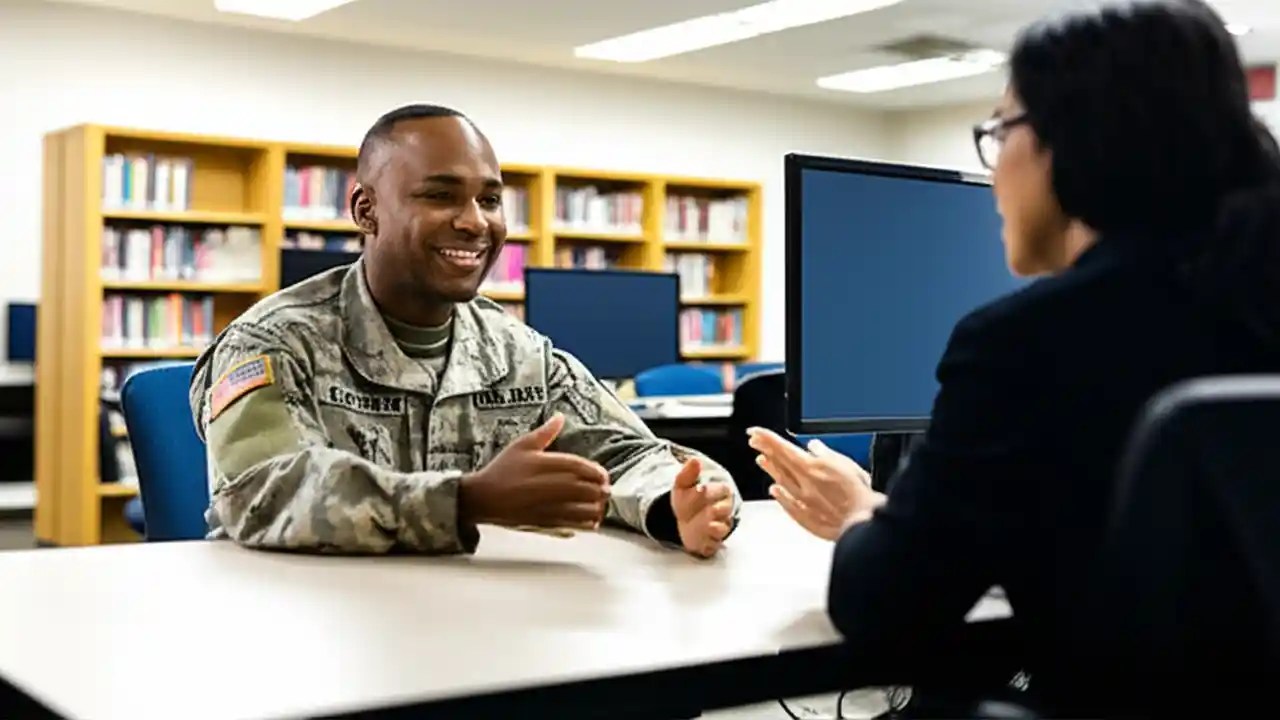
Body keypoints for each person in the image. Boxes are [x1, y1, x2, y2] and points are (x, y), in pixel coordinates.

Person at [748, 0, 1280, 713]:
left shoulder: (1026, 343)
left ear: (1072, 139)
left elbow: (885, 605)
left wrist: (854, 520)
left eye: (1001, 130)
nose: (995, 170)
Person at [188, 104, 740, 558]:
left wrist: (675, 503)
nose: (475, 221)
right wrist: (467, 500)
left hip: (469, 628)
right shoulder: (273, 341)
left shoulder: (518, 352)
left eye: (491, 199)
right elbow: (263, 490)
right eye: (440, 195)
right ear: (365, 209)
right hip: (304, 631)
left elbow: (629, 454)